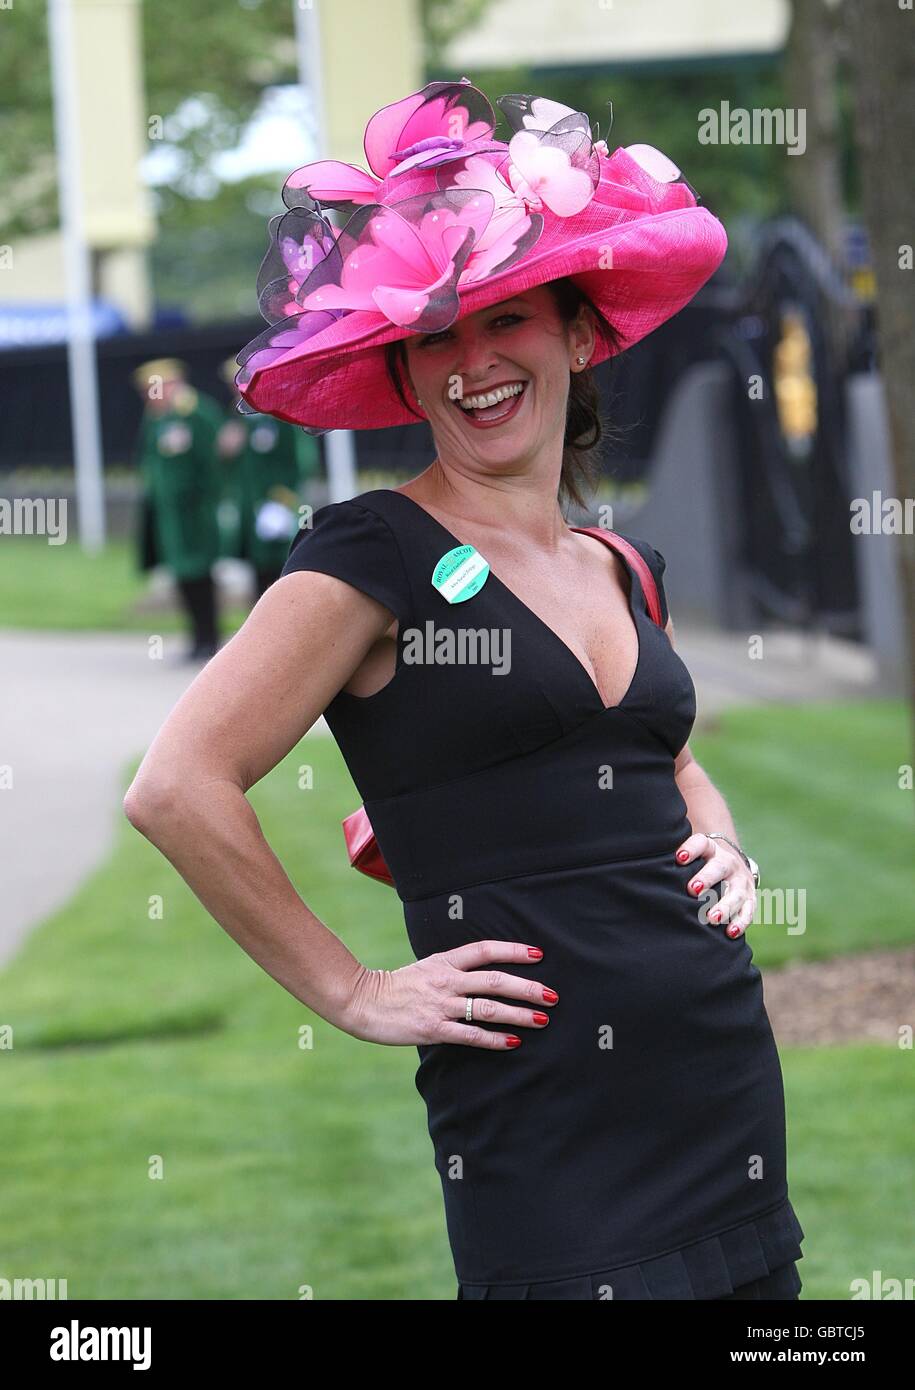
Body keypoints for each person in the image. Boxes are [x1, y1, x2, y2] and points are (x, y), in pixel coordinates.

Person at [123, 79, 805, 1299]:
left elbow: (670, 757)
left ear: (580, 332)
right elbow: (177, 786)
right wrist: (353, 988)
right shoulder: (370, 553)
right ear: (400, 367)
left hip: (725, 1104)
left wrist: (726, 848)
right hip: (544, 1136)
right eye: (435, 335)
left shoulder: (619, 562)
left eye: (507, 322)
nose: (473, 363)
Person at [132, 358, 224, 661]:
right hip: (169, 515)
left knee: (200, 574)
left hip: (197, 512)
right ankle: (196, 639)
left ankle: (209, 639)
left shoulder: (197, 414)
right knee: (182, 576)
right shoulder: (157, 417)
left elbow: (214, 463)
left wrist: (208, 500)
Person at [215, 358, 322, 604]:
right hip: (248, 504)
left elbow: (301, 460)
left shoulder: (278, 413)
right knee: (256, 566)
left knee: (282, 565)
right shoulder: (237, 417)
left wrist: (283, 499)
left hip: (277, 503)